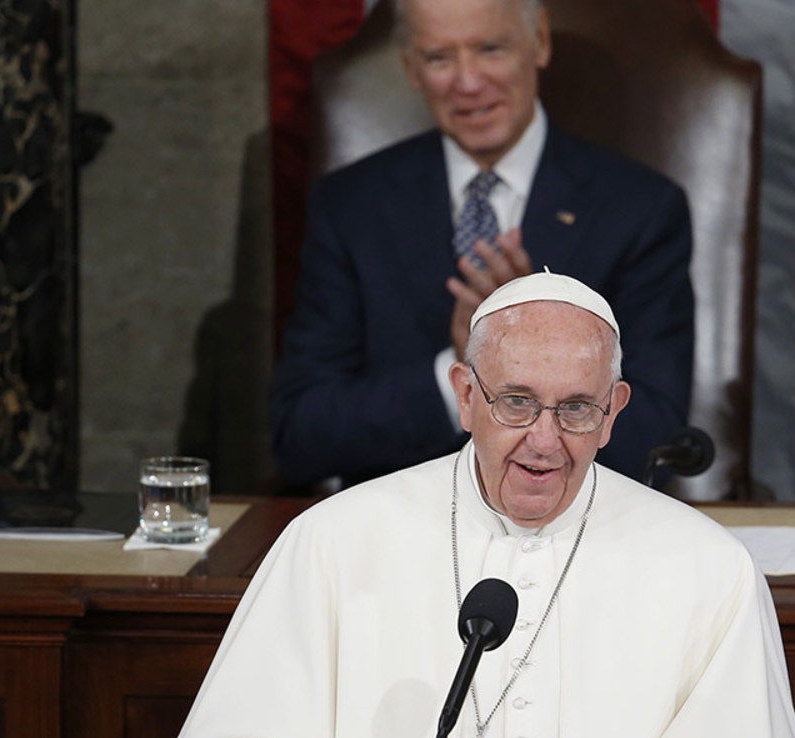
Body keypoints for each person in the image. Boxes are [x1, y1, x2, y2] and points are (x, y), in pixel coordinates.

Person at [177, 271, 795, 738]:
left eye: (576, 409)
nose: (544, 439)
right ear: (464, 395)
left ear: (613, 412)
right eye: (516, 401)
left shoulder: (706, 566)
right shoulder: (332, 538)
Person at [271, 0, 694, 488]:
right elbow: (299, 433)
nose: (467, 82)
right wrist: (460, 370)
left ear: (539, 42)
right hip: (400, 525)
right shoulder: (351, 205)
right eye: (439, 58)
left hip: (577, 530)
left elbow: (657, 436)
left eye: (490, 49)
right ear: (411, 68)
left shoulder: (639, 209)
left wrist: (531, 344)